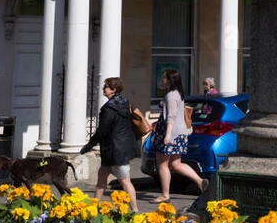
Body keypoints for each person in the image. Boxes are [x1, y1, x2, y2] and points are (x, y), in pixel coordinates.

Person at [148, 68, 207, 201]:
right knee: (176, 164)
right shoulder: (178, 94)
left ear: (169, 80)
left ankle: (165, 195)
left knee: (162, 165)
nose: (162, 79)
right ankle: (199, 181)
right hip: (180, 133)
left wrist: (167, 135)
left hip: (171, 133)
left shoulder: (171, 95)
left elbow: (171, 116)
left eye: (164, 77)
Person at [80, 77, 139, 211]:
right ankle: (93, 208)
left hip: (115, 151)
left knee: (125, 181)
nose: (103, 88)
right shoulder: (125, 102)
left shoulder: (109, 108)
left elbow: (102, 131)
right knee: (101, 178)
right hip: (116, 149)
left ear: (114, 90)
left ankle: (135, 211)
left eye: (106, 86)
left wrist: (89, 146)